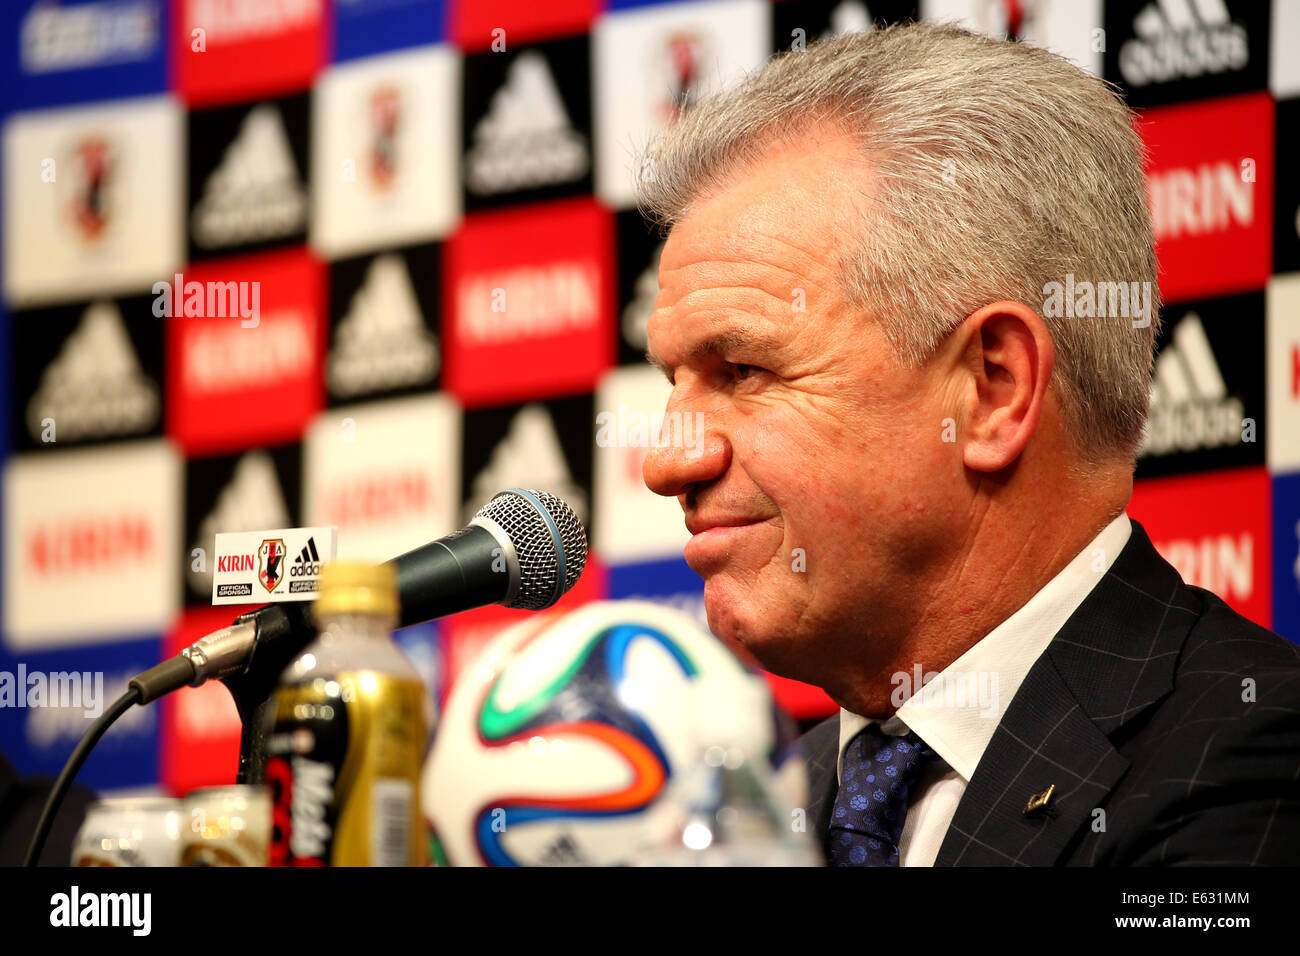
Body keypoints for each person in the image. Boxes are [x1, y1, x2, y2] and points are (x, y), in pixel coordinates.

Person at [638, 22, 1300, 866]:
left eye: (742, 369)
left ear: (993, 389)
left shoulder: (1253, 759)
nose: (665, 463)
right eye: (674, 383)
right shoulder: (765, 807)